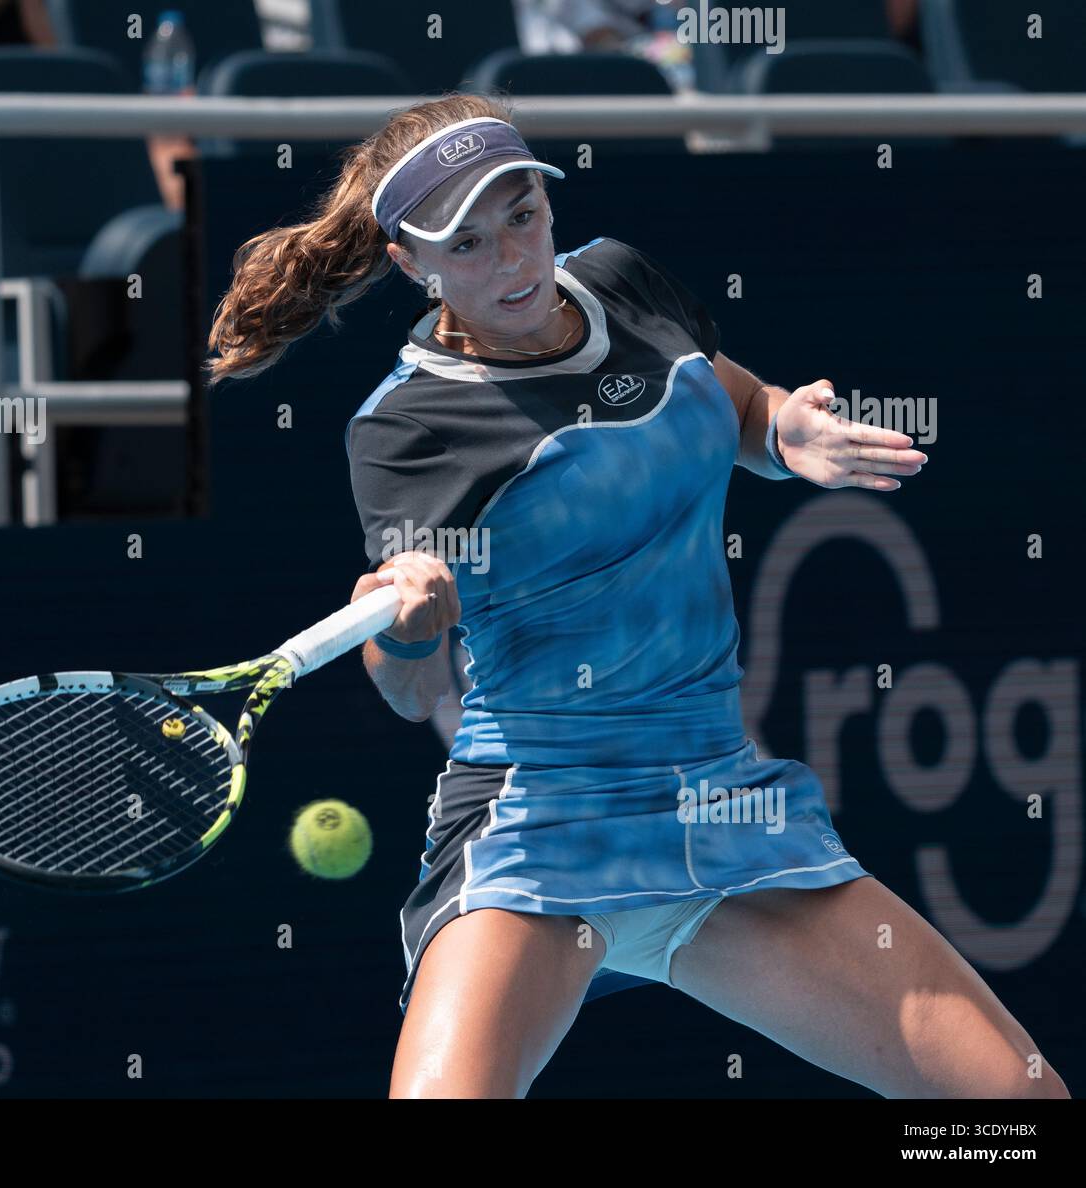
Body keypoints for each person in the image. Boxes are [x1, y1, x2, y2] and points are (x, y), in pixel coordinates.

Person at [205, 92, 1070, 1101]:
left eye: (522, 215)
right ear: (412, 264)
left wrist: (788, 430)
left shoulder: (622, 280)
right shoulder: (409, 428)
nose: (513, 261)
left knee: (1013, 1109)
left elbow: (735, 401)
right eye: (469, 244)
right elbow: (408, 691)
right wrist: (406, 629)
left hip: (726, 810)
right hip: (540, 829)